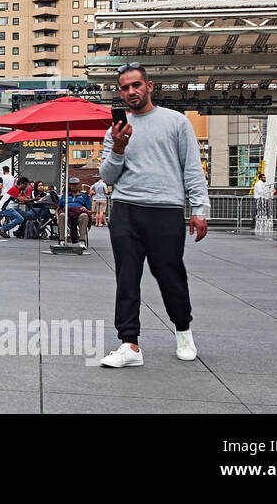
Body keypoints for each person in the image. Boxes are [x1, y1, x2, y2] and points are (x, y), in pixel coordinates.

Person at [98, 63, 209, 369]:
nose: (130, 92)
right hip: (125, 209)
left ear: (149, 86)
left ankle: (183, 330)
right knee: (127, 278)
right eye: (124, 87)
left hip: (165, 209)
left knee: (170, 275)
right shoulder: (115, 131)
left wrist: (199, 209)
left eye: (136, 85)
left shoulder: (176, 122)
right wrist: (119, 147)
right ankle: (129, 343)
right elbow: (107, 176)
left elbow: (192, 168)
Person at [63, 176, 93, 245]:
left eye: (76, 184)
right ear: (69, 186)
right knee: (62, 215)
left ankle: (82, 240)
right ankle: (62, 240)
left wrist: (86, 209)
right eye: (72, 184)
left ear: (78, 185)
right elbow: (59, 208)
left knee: (84, 215)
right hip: (68, 215)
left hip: (80, 214)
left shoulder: (84, 196)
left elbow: (89, 210)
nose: (74, 186)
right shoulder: (65, 196)